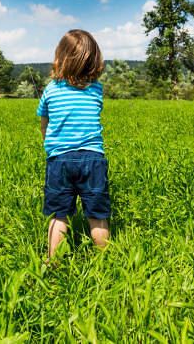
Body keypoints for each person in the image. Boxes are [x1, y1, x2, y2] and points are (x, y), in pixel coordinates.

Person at [37, 29, 111, 259]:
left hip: (59, 160)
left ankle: (53, 263)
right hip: (93, 159)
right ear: (94, 62)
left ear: (60, 59)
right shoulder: (96, 90)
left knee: (59, 216)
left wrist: (48, 144)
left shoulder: (51, 90)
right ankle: (104, 262)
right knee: (98, 216)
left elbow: (44, 123)